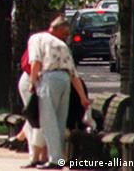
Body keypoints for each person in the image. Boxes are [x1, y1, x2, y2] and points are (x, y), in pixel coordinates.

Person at [27, 16, 90, 169]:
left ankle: (55, 159)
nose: (65, 37)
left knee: (48, 120)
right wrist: (82, 97)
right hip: (64, 80)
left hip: (49, 78)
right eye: (64, 33)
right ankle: (59, 158)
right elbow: (73, 74)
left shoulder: (36, 38)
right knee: (60, 120)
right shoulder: (62, 45)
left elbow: (36, 61)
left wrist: (32, 82)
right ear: (55, 29)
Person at [16, 48, 46, 167]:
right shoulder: (40, 42)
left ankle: (42, 155)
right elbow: (33, 64)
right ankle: (34, 155)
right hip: (32, 81)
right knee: (35, 120)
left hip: (36, 81)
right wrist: (33, 82)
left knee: (36, 119)